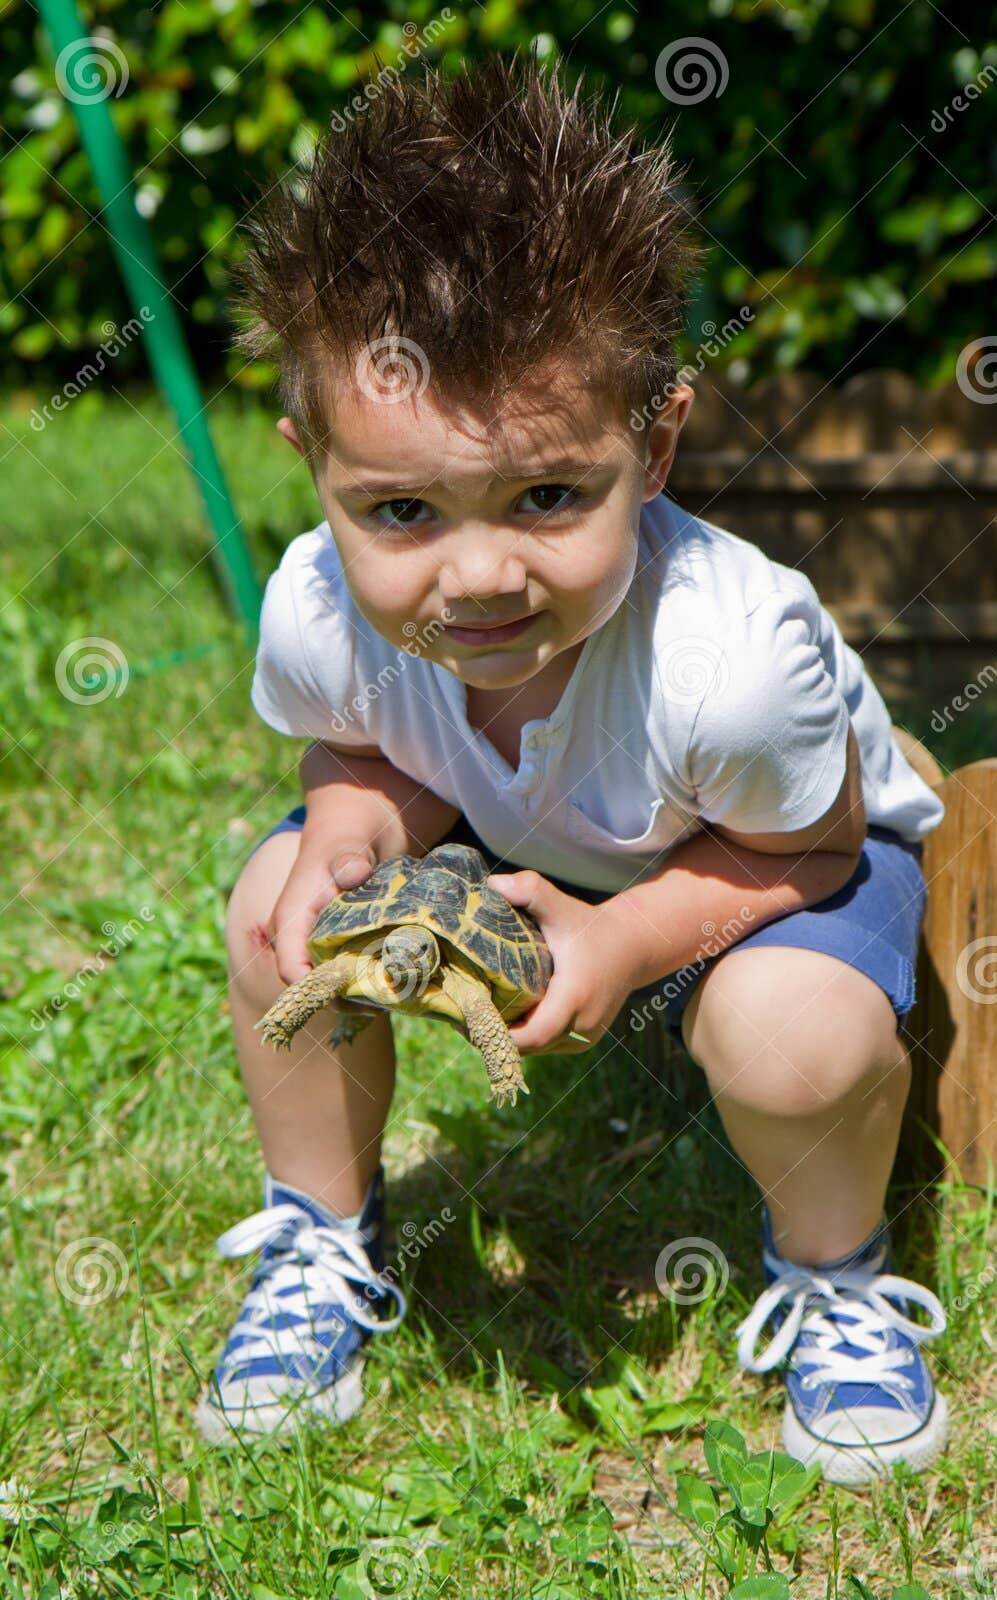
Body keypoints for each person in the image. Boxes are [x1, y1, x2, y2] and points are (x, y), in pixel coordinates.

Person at [203, 52, 948, 1489]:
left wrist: (628, 937)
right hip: (527, 833)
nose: (476, 575)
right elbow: (359, 744)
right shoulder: (318, 606)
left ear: (653, 442)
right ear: (311, 465)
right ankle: (319, 1233)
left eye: (548, 496)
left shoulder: (721, 660)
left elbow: (817, 845)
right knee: (266, 907)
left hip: (764, 850)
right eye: (400, 509)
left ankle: (836, 1270)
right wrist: (349, 825)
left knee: (786, 1034)